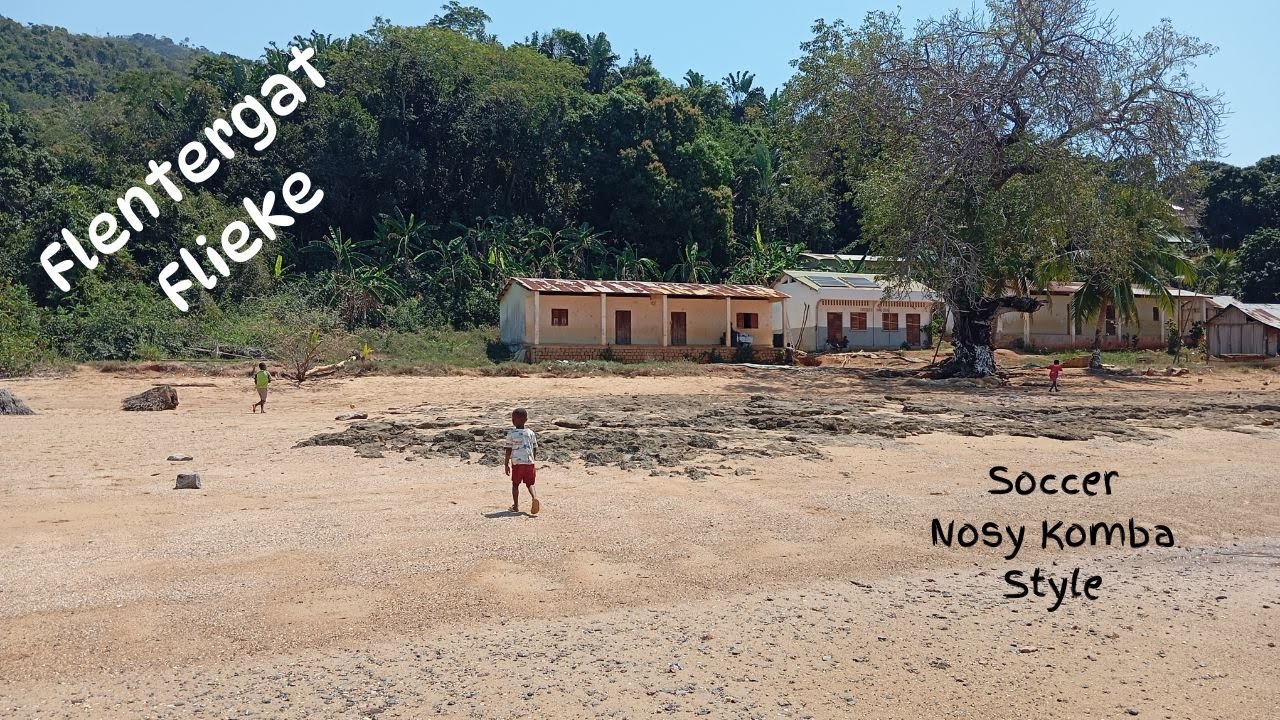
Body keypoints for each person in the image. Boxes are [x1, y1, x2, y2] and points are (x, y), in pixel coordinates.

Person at [504, 407, 541, 515]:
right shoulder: (530, 433)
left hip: (517, 464)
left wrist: (506, 464)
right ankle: (534, 497)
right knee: (530, 483)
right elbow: (535, 448)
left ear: (513, 420)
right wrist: (533, 459)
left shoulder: (511, 433)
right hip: (529, 463)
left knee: (515, 484)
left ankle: (516, 506)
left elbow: (508, 450)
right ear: (526, 419)